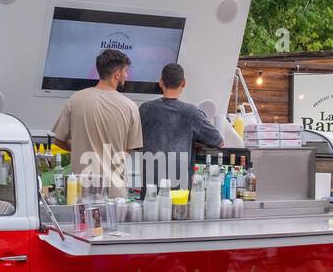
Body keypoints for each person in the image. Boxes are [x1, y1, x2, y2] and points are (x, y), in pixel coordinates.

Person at [52, 48, 143, 197]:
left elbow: (59, 140)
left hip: (81, 190)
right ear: (117, 74)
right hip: (115, 191)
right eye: (125, 72)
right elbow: (129, 149)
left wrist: (80, 147)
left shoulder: (75, 100)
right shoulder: (130, 107)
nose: (126, 76)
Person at [136, 62, 223, 187]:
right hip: (179, 190)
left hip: (150, 188)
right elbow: (219, 142)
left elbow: (134, 140)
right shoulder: (193, 113)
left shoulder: (144, 109)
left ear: (161, 82)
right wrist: (194, 141)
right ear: (184, 83)